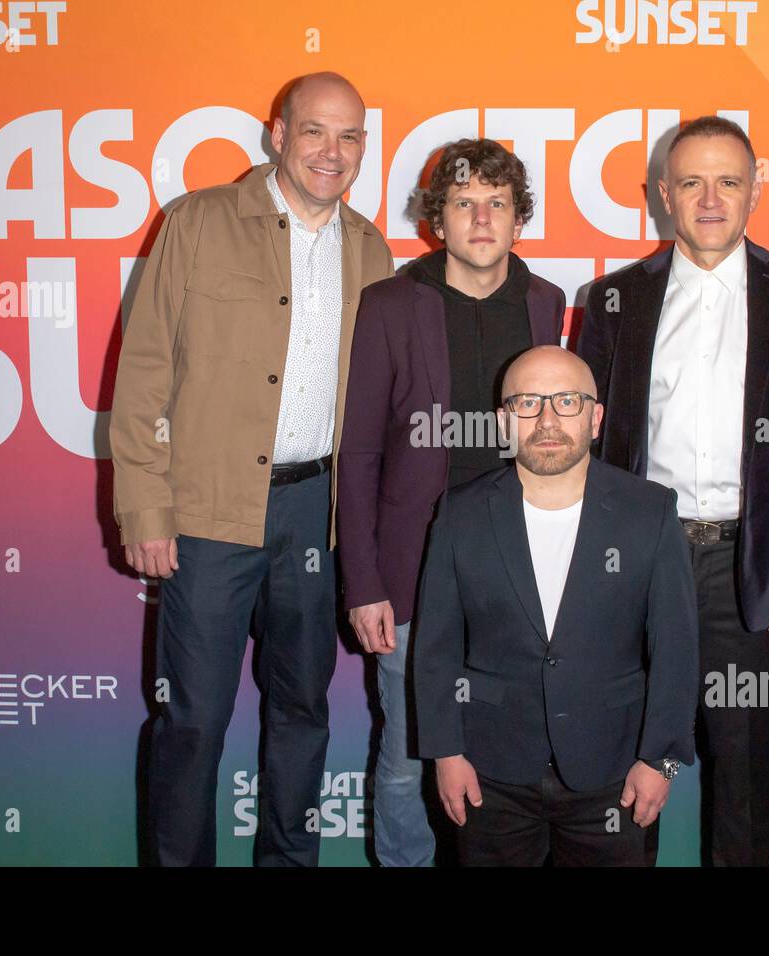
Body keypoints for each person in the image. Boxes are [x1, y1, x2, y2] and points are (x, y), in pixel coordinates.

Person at [109, 72, 394, 866]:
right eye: (313, 132)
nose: (331, 153)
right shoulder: (198, 221)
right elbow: (142, 373)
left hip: (316, 512)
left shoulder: (371, 246)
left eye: (349, 137)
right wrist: (145, 507)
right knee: (193, 716)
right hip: (207, 513)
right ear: (277, 134)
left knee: (303, 709)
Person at [577, 116, 769, 866]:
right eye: (691, 182)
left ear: (755, 190)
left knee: (742, 773)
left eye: (728, 181)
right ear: (663, 194)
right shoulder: (610, 299)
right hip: (636, 566)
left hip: (750, 571)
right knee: (629, 765)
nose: (709, 200)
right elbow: (585, 452)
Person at [338, 139, 565, 866]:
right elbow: (361, 453)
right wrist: (364, 582)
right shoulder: (390, 305)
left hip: (513, 576)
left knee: (500, 756)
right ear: (437, 218)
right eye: (464, 202)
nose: (480, 218)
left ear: (518, 217)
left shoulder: (544, 304)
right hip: (412, 576)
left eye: (497, 203)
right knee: (408, 756)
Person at [413, 346, 699, 866]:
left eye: (567, 401)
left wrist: (659, 759)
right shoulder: (460, 513)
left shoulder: (650, 511)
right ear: (504, 422)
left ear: (596, 418)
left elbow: (676, 646)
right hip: (489, 771)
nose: (547, 419)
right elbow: (436, 645)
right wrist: (445, 752)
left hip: (614, 772)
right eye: (527, 403)